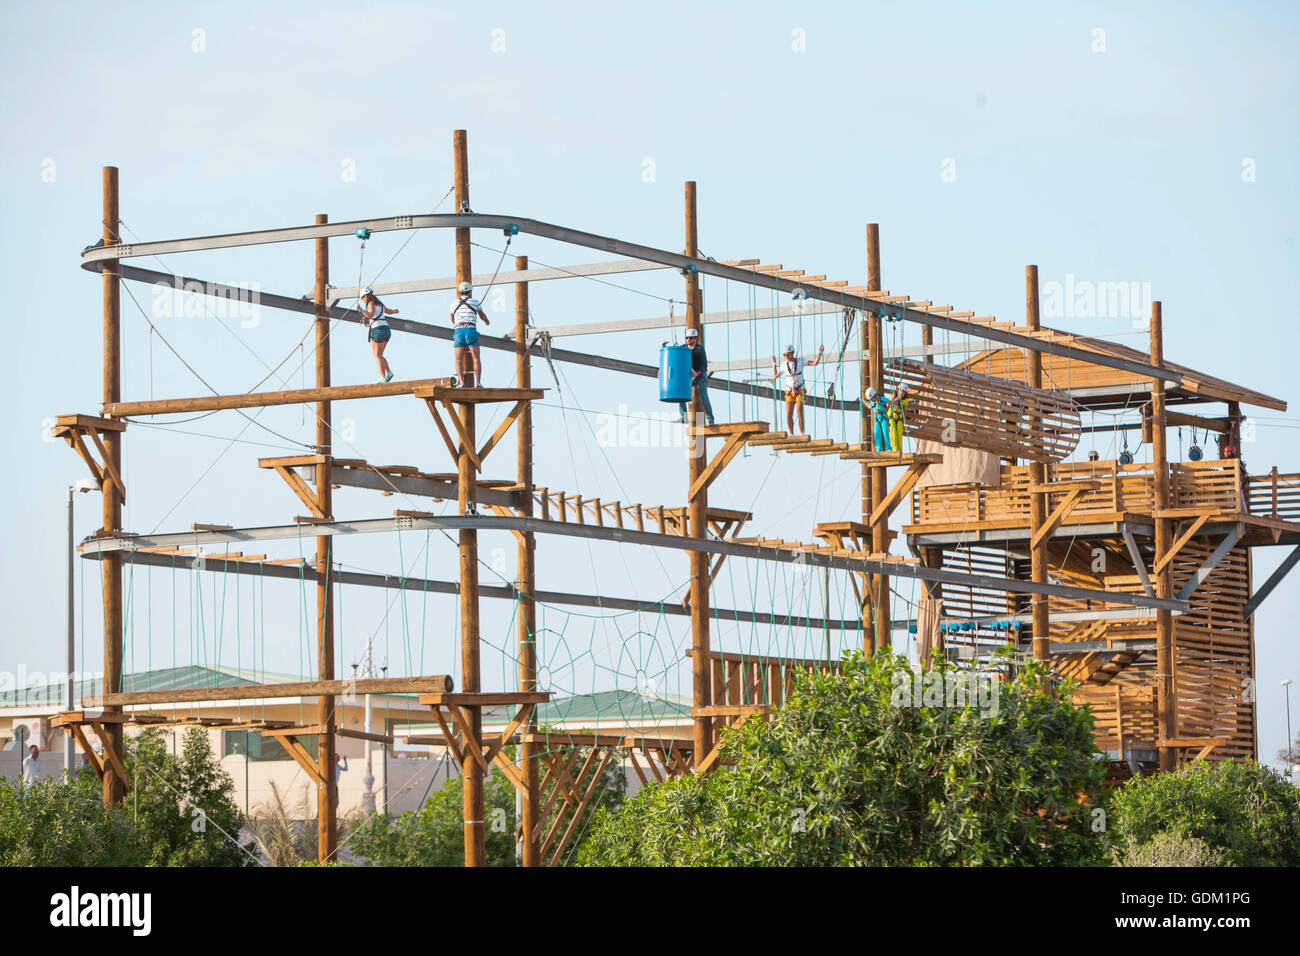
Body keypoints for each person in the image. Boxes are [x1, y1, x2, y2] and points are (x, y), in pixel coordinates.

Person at [662, 327, 715, 426]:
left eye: (691, 338)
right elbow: (674, 352)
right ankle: (684, 417)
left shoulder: (700, 349)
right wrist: (664, 347)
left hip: (700, 374)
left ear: (695, 339)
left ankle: (710, 418)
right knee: (681, 394)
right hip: (689, 374)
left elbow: (704, 365)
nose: (688, 340)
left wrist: (697, 372)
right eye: (687, 338)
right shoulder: (684, 348)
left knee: (704, 397)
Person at [771, 344, 825, 436]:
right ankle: (792, 434)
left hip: (800, 390)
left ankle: (802, 433)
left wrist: (820, 353)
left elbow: (814, 363)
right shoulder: (784, 365)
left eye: (788, 354)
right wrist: (774, 364)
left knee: (799, 411)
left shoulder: (800, 361)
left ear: (792, 353)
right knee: (789, 414)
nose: (786, 357)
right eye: (785, 355)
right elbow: (775, 376)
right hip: (789, 391)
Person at [450, 281, 490, 386]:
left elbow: (452, 318)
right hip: (470, 330)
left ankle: (461, 382)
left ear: (460, 291)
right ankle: (478, 382)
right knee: (476, 358)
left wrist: (457, 325)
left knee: (458, 359)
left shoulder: (454, 303)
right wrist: (486, 321)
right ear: (470, 291)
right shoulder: (475, 302)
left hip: (459, 331)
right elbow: (482, 315)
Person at [358, 288, 399, 383]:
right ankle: (388, 372)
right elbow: (388, 311)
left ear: (366, 296)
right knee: (380, 355)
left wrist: (360, 309)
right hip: (386, 329)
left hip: (377, 329)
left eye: (363, 298)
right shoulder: (379, 304)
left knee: (377, 355)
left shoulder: (370, 304)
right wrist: (394, 311)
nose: (363, 300)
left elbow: (370, 315)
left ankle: (382, 377)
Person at [865, 387, 891, 451]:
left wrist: (887, 407)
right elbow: (869, 406)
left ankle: (888, 448)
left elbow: (889, 401)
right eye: (870, 399)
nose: (871, 400)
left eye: (871, 399)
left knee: (885, 432)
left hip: (883, 417)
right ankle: (879, 448)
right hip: (876, 419)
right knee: (877, 433)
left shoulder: (882, 399)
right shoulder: (872, 402)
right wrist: (864, 401)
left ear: (875, 395)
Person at [888, 382, 911, 451]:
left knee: (899, 436)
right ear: (898, 390)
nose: (903, 393)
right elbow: (888, 403)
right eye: (902, 391)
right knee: (893, 435)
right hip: (892, 418)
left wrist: (898, 399)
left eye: (904, 392)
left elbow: (905, 404)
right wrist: (896, 398)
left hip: (899, 419)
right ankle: (895, 450)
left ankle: (900, 451)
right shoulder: (892, 397)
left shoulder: (905, 400)